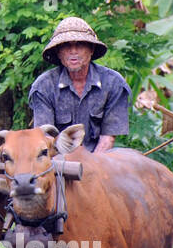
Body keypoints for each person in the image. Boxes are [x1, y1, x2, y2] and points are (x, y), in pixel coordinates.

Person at [28, 17, 130, 154]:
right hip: (57, 160)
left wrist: (90, 167)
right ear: (58, 52)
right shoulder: (43, 86)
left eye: (80, 45)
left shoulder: (113, 83)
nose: (73, 51)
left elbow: (108, 139)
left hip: (99, 159)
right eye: (66, 46)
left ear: (91, 49)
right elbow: (45, 139)